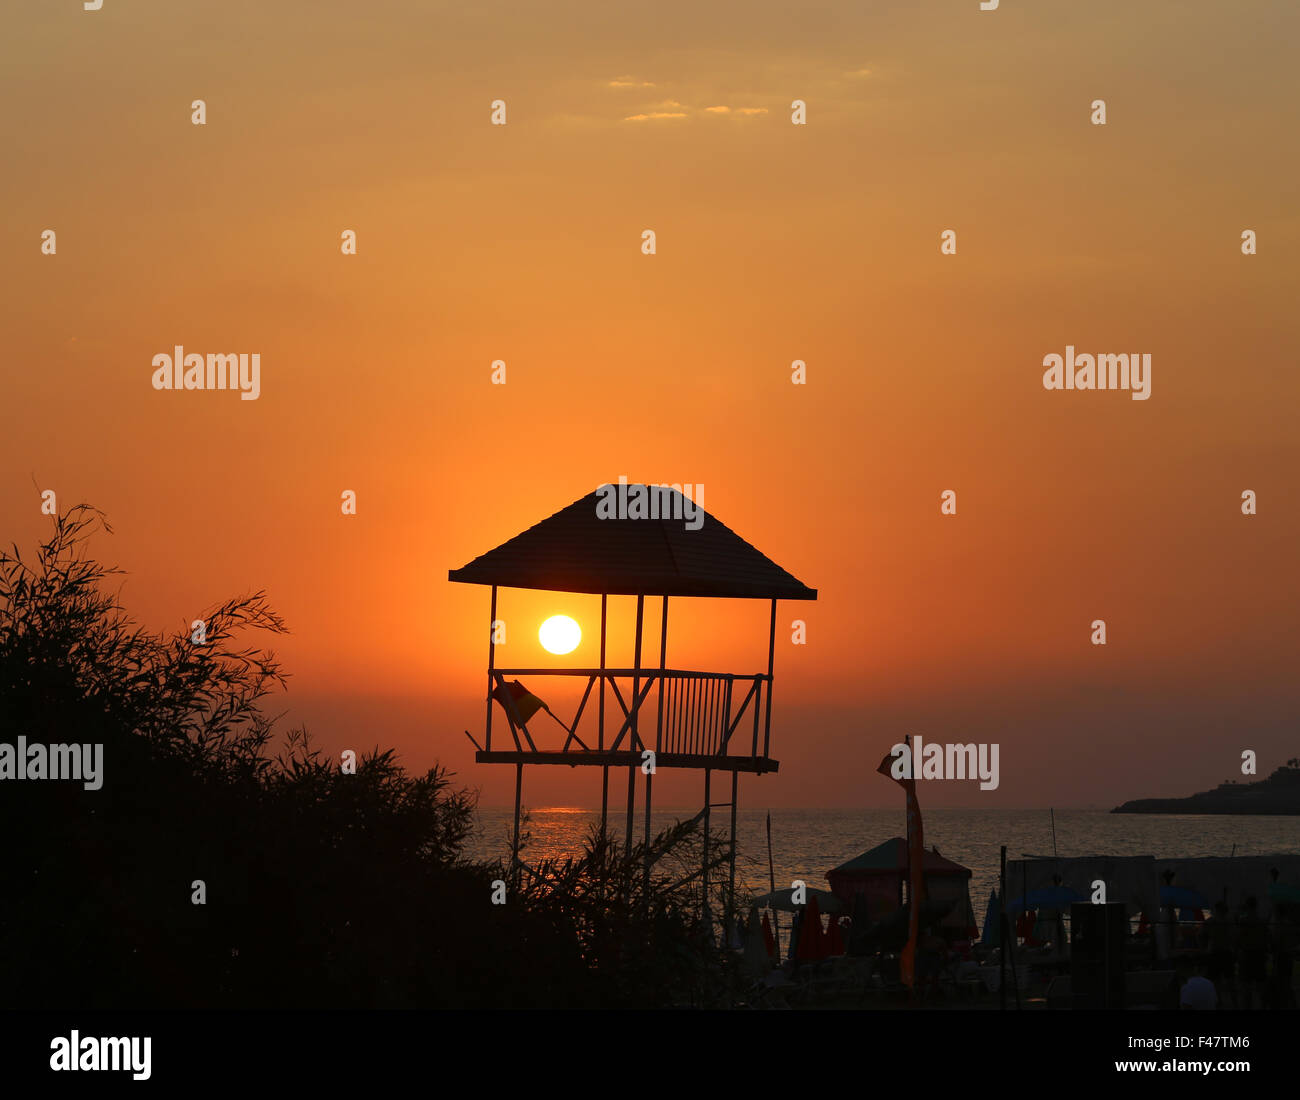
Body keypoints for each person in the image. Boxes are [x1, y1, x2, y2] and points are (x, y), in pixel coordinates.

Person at [1202, 900, 1236, 1009]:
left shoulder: (1211, 922)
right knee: (1226, 980)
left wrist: (1205, 948)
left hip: (1217, 953)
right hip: (1223, 953)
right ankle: (1231, 1002)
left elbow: (1200, 935)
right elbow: (1234, 937)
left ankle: (1221, 1001)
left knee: (1219, 980)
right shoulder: (1228, 922)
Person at [1236, 896, 1268, 1010]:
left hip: (1247, 954)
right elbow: (1266, 938)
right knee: (1260, 986)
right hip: (1259, 954)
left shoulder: (1243, 920)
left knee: (1246, 986)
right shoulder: (1262, 920)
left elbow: (1239, 937)